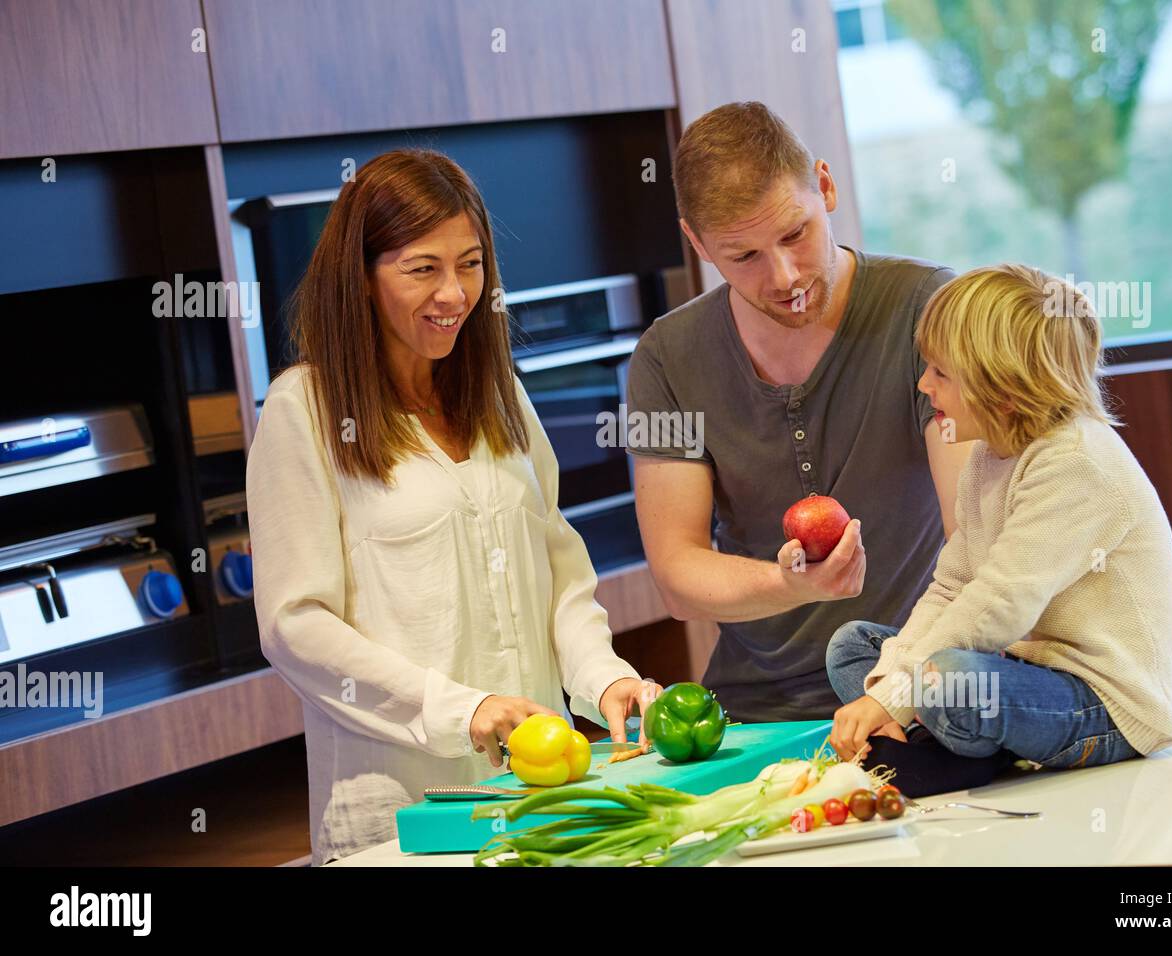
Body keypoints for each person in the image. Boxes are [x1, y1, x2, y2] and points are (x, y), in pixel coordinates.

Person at [247, 149, 657, 864]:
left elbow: (558, 575)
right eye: (422, 268)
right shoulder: (302, 414)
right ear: (362, 279)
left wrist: (604, 678)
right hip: (400, 814)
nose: (453, 292)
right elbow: (295, 626)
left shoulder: (499, 397)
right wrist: (460, 710)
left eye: (469, 264)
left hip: (538, 796)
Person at [627, 101, 969, 722]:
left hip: (917, 691)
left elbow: (976, 533)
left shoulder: (931, 307)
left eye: (794, 234)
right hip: (753, 713)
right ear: (697, 243)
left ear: (827, 186)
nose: (784, 276)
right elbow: (677, 577)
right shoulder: (663, 358)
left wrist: (905, 685)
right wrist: (791, 586)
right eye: (744, 257)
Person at [827, 264, 1172, 769]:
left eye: (941, 373)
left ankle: (941, 755)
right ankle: (944, 740)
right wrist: (892, 689)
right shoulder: (990, 453)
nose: (924, 384)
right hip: (1020, 668)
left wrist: (894, 696)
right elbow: (952, 587)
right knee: (853, 648)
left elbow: (1000, 603)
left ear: (1005, 393)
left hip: (1103, 705)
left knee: (945, 679)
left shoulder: (1075, 462)